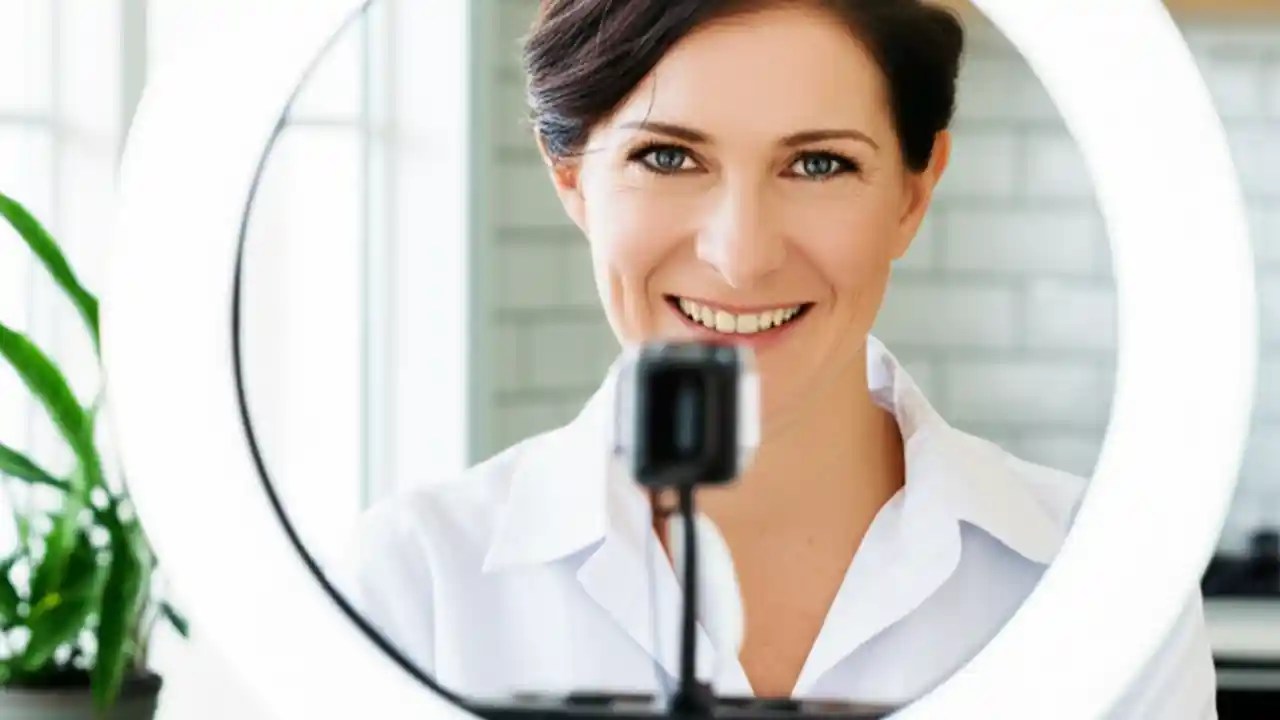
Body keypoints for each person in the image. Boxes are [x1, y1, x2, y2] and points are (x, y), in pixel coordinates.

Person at [354, 0, 1217, 715]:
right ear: (570, 176)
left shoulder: (1104, 583)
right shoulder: (416, 586)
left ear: (914, 194)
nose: (742, 255)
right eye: (668, 156)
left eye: (818, 163)